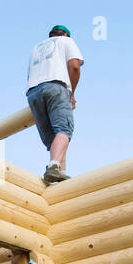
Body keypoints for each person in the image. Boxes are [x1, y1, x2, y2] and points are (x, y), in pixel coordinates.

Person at [26, 24, 84, 184]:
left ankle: (60, 175)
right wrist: (71, 93)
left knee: (54, 139)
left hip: (33, 92)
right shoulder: (65, 41)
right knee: (64, 129)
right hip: (56, 86)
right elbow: (74, 66)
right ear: (65, 34)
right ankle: (54, 166)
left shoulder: (36, 48)